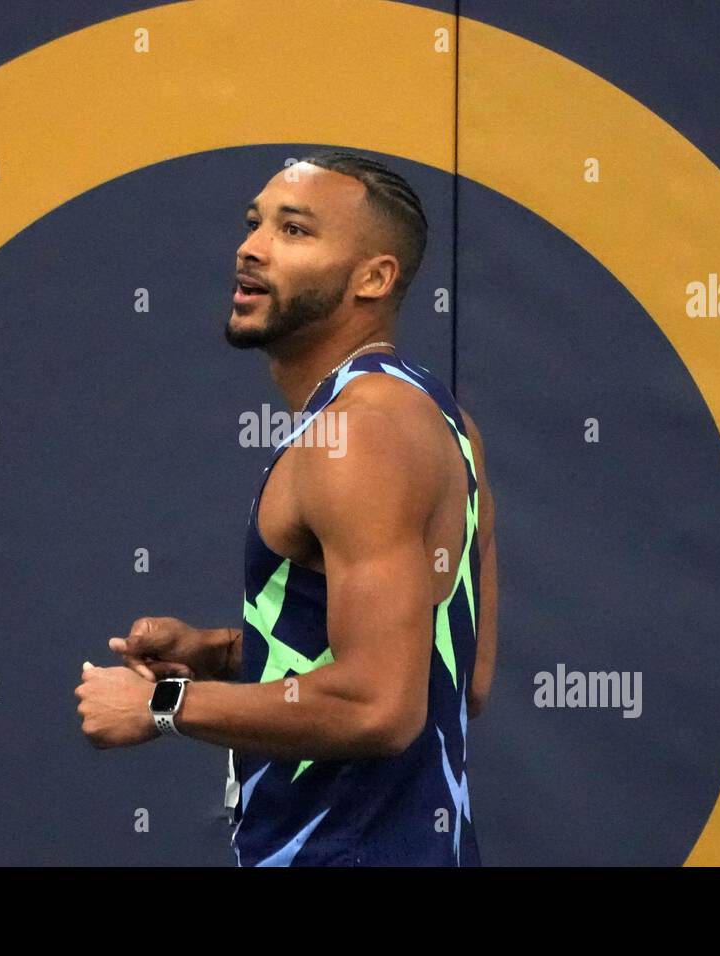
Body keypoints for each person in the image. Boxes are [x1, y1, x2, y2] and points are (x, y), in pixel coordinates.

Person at [75, 150, 498, 866]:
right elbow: (454, 673)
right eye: (254, 223)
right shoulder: (439, 417)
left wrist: (162, 708)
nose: (251, 246)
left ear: (375, 276)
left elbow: (380, 705)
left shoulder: (358, 437)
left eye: (295, 230)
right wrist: (219, 652)